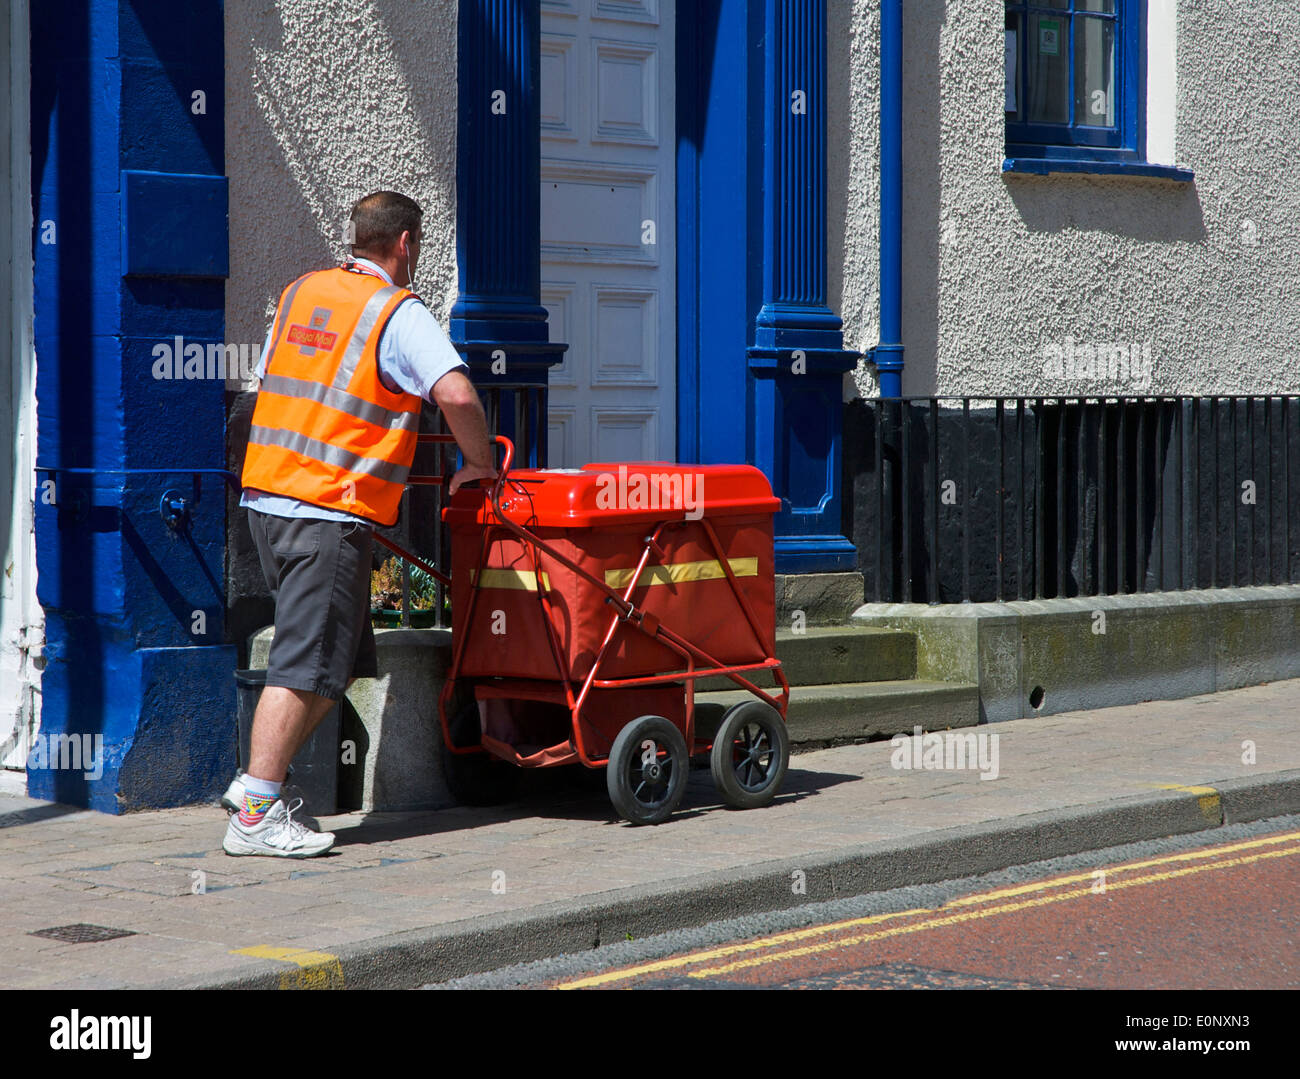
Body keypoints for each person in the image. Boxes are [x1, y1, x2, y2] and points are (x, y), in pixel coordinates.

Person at [222, 190, 496, 857]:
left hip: (268, 502)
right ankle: (255, 807)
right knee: (306, 662)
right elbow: (456, 391)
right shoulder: (395, 312)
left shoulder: (301, 293)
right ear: (404, 243)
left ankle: (260, 790)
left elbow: (278, 388)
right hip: (326, 510)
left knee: (332, 660)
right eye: (420, 246)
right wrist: (480, 464)